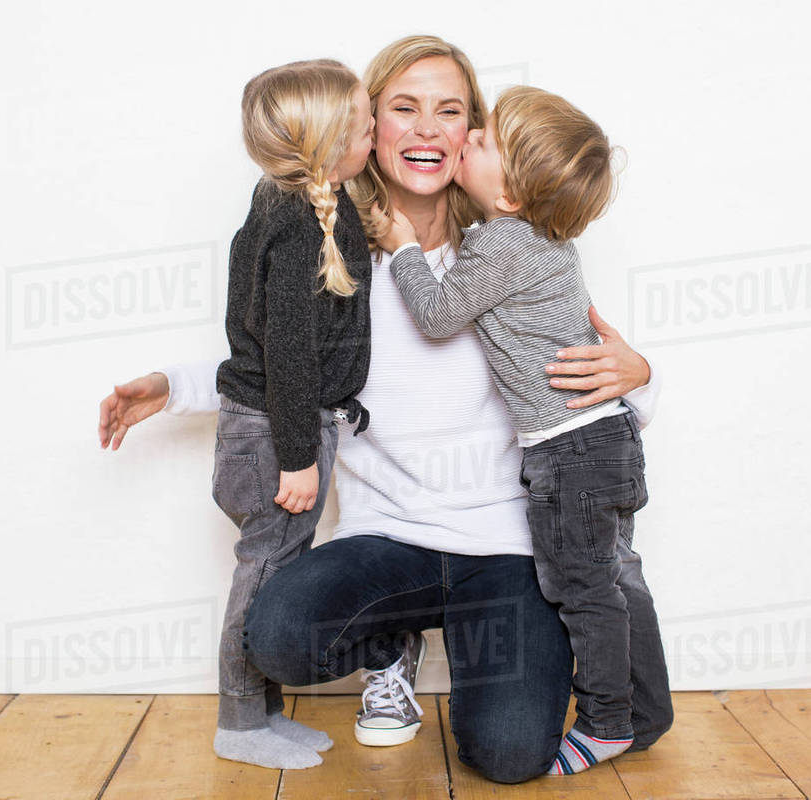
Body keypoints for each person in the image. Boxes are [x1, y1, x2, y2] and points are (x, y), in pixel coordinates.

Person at [98, 35, 673, 785]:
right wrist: (171, 386)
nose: (429, 129)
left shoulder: (509, 252)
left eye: (453, 112)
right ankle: (392, 642)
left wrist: (643, 373)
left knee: (507, 755)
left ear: (476, 138)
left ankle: (506, 651)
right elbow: (285, 369)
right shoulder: (338, 254)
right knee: (275, 635)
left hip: (505, 546)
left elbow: (588, 383)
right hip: (386, 544)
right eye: (404, 109)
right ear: (365, 129)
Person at [374, 84, 645, 775]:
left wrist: (404, 247)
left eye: (483, 137)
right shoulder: (540, 243)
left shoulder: (497, 247)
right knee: (611, 583)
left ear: (513, 197)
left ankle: (610, 720)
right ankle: (643, 712)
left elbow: (437, 317)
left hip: (569, 452)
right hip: (605, 443)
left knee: (583, 591)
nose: (467, 139)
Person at [205, 58, 376, 770]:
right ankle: (239, 722)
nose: (374, 132)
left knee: (277, 572)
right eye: (365, 123)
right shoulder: (297, 224)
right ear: (330, 140)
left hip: (288, 426)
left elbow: (319, 340)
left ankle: (264, 712)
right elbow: (289, 353)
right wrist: (299, 455)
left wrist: (346, 405)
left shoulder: (302, 205)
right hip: (275, 437)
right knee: (265, 572)